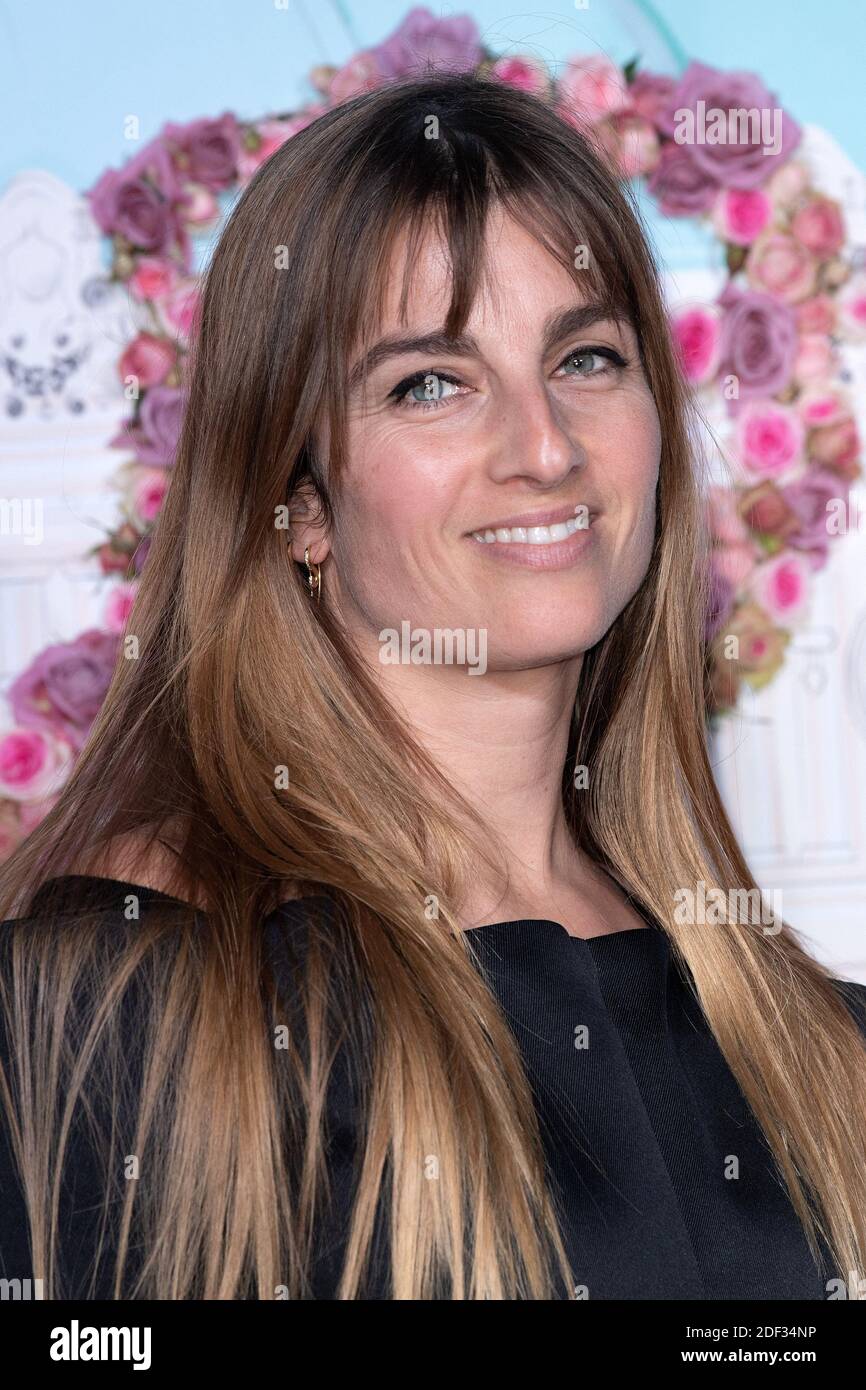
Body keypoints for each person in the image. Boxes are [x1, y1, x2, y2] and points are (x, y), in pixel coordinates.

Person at [1, 72, 864, 1302]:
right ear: (295, 503)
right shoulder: (124, 991)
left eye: (585, 358)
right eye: (430, 383)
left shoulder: (798, 1029)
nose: (545, 446)